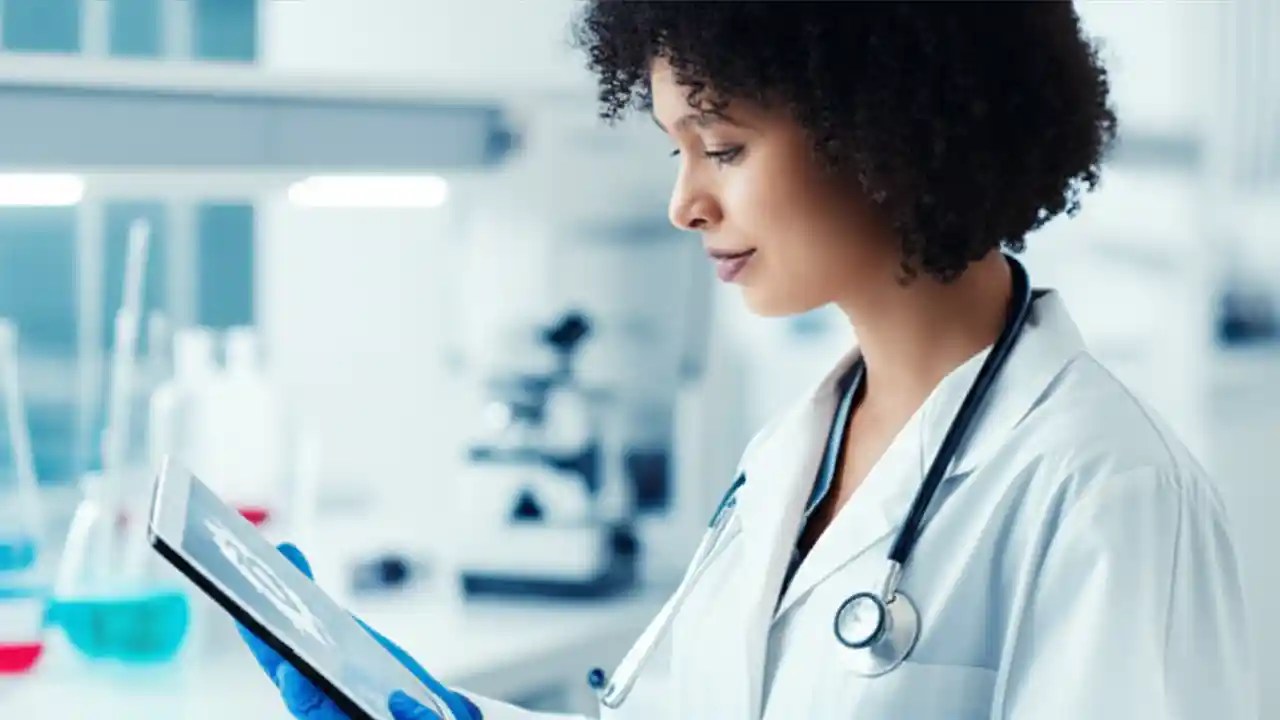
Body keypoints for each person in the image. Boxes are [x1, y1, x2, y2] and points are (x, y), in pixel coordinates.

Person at [241, 3, 1257, 718]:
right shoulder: (790, 456)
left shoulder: (1105, 493)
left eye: (719, 147)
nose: (682, 203)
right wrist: (443, 716)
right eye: (674, 151)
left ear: (884, 130)